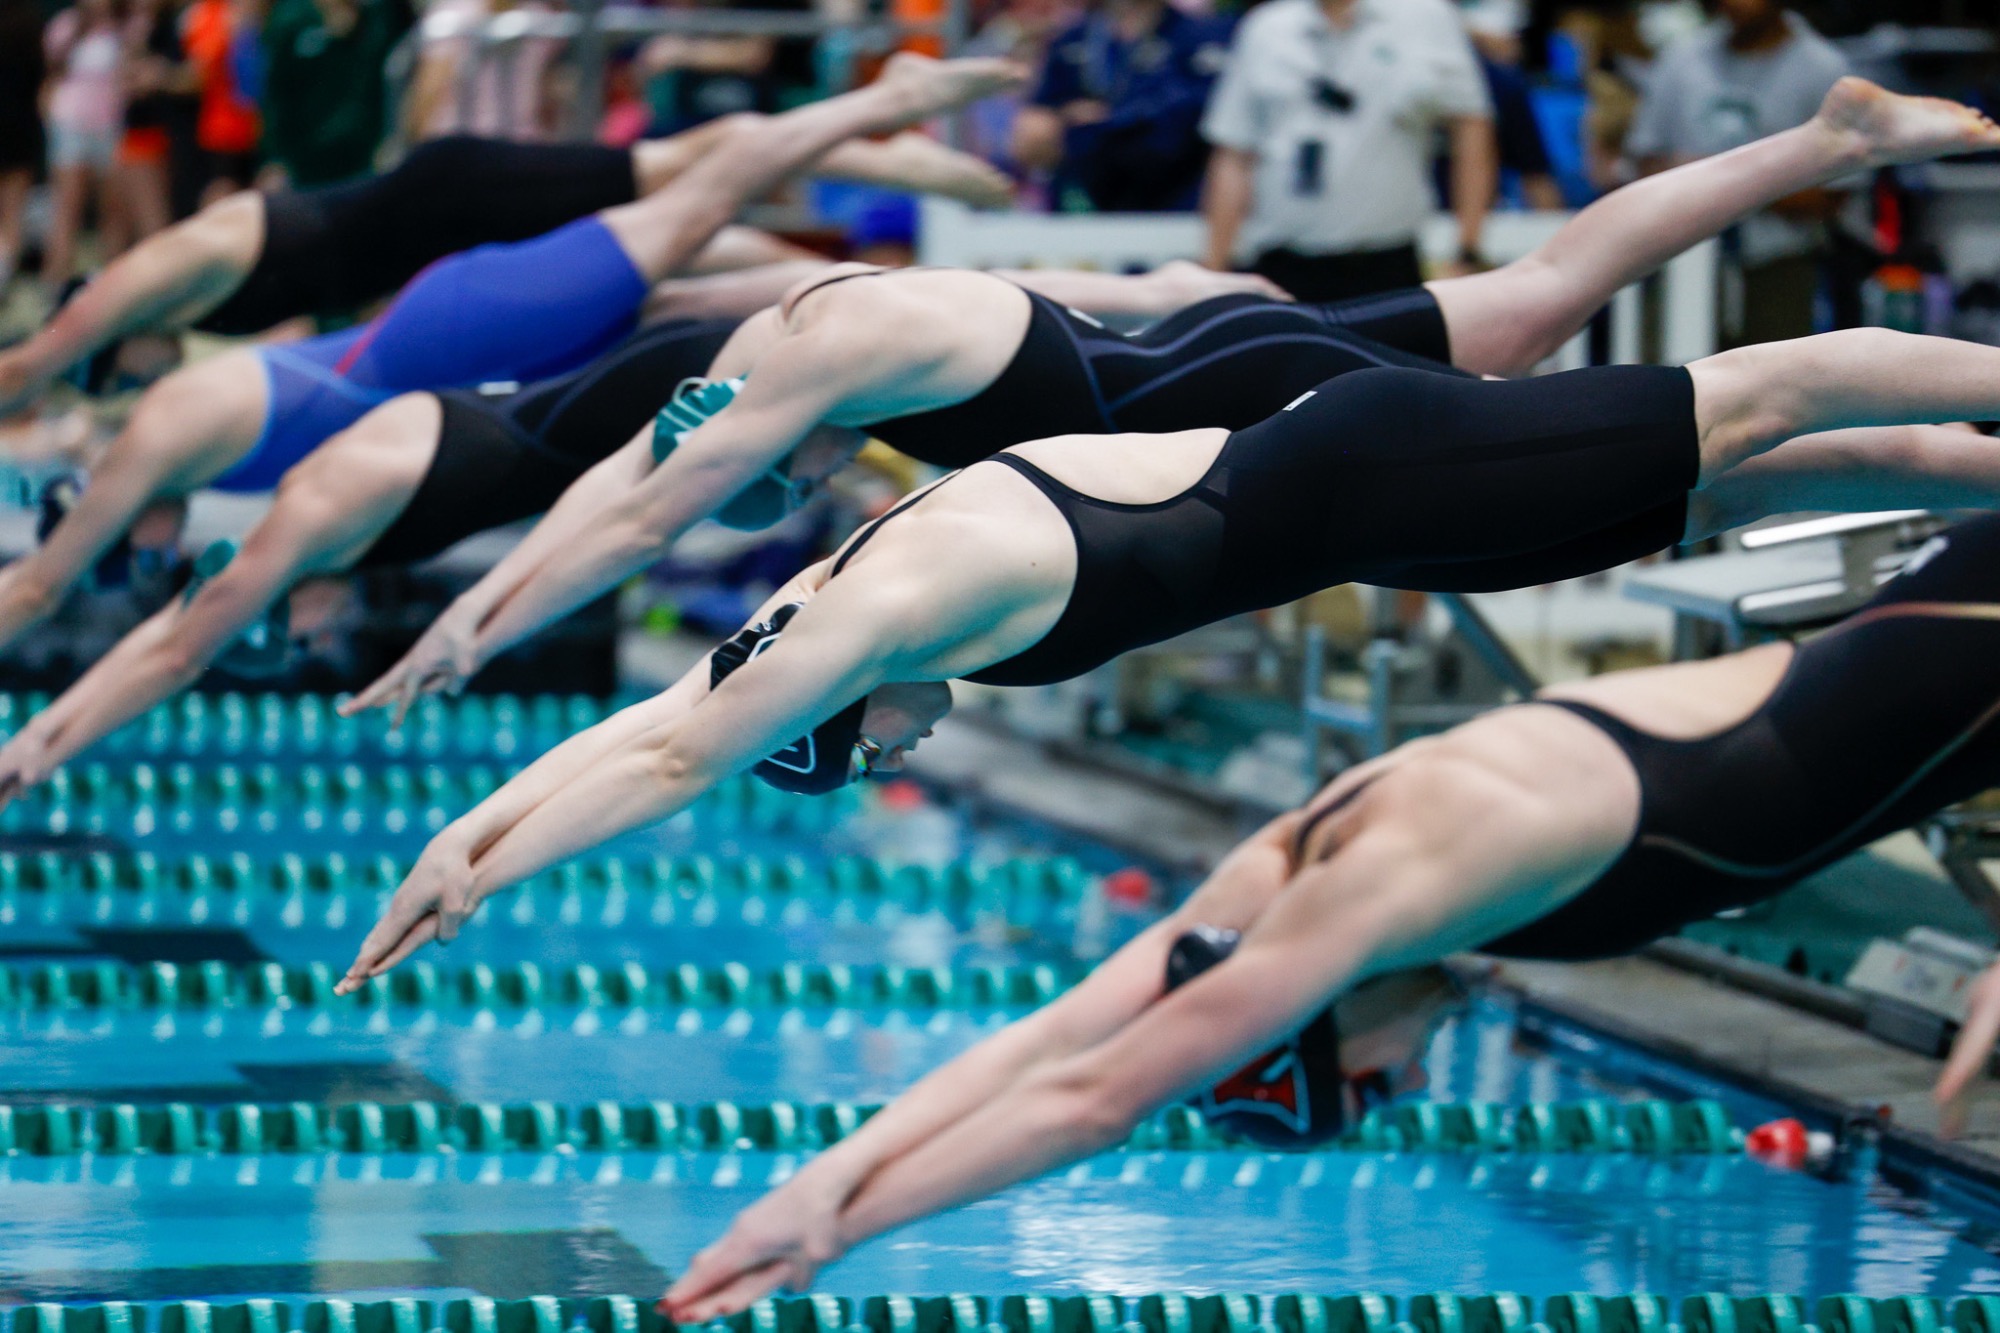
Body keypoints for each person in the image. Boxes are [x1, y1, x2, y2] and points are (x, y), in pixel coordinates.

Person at [329, 280, 2000, 983]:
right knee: (1732, 471)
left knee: (1770, 389)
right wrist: (459, 841)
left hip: (1375, 476)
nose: (912, 746)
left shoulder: (896, 612)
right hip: (1344, 465)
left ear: (834, 714)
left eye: (869, 749)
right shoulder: (821, 610)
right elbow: (654, 725)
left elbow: (681, 751)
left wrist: (488, 871)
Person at [655, 505, 2000, 1316]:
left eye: (1369, 1090)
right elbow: (1057, 1034)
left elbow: (1096, 1096)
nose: (1409, 1080)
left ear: (1305, 1027)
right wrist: (815, 1183)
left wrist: (840, 1232)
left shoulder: (1376, 888)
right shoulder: (1298, 877)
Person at [347, 77, 2000, 714]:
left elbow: (633, 502)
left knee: (1743, 429)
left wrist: (475, 619)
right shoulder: (843, 319)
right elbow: (1115, 297)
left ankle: (1942, 369)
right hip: (1219, 348)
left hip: (1253, 398)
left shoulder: (797, 368)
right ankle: (1827, 144)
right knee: (1569, 303)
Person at [0, 256, 1310, 772]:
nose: (327, 628)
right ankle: (1148, 289)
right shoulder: (334, 514)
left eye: (294, 629)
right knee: (783, 393)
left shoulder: (314, 516)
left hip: (626, 400)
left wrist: (34, 751)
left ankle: (1150, 280)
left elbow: (172, 651)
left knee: (766, 290)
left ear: (268, 590)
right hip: (614, 393)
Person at [0, 56, 1025, 654]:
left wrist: (53, 570)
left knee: (687, 186)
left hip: (447, 257)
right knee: (687, 269)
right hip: (435, 314)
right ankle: (869, 226)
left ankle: (873, 108)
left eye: (132, 550)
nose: (134, 374)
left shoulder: (149, 393)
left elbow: (40, 567)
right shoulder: (187, 442)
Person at [0, 106, 1011, 415]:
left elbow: (31, 361)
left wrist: (38, 373)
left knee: (694, 163)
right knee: (675, 233)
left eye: (110, 378)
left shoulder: (145, 282)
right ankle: (851, 250)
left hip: (451, 194)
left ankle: (885, 144)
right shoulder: (194, 308)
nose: (127, 386)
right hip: (446, 235)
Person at [1200, 0, 1496, 301]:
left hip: (1386, 262)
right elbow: (1233, 153)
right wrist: (1214, 268)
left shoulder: (1425, 16)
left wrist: (1468, 248)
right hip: (1281, 261)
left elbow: (1472, 128)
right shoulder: (1267, 27)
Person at [1624, 0, 1852, 346]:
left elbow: (1834, 194)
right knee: (1668, 377)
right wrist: (1743, 181)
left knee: (1772, 385)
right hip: (1681, 256)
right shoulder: (1684, 58)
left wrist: (1723, 182)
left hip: (1776, 263)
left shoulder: (1822, 68)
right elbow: (1644, 159)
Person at [1008, 0, 1233, 212]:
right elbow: (1033, 132)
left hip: (1176, 207)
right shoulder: (1073, 40)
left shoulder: (1203, 36)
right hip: (1087, 207)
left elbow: (1190, 119)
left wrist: (1099, 120)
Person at [254, 0, 415, 188]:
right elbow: (276, 97)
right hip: (307, 161)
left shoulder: (382, 15)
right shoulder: (292, 18)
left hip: (367, 157)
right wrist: (273, 159)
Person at [41, 0, 137, 293]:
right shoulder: (66, 26)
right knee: (68, 205)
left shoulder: (126, 26)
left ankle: (111, 286)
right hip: (71, 125)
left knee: (113, 208)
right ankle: (55, 283)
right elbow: (50, 79)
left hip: (111, 127)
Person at [0, 0, 45, 297]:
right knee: (12, 216)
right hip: (18, 126)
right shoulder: (27, 23)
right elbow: (39, 75)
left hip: (15, 125)